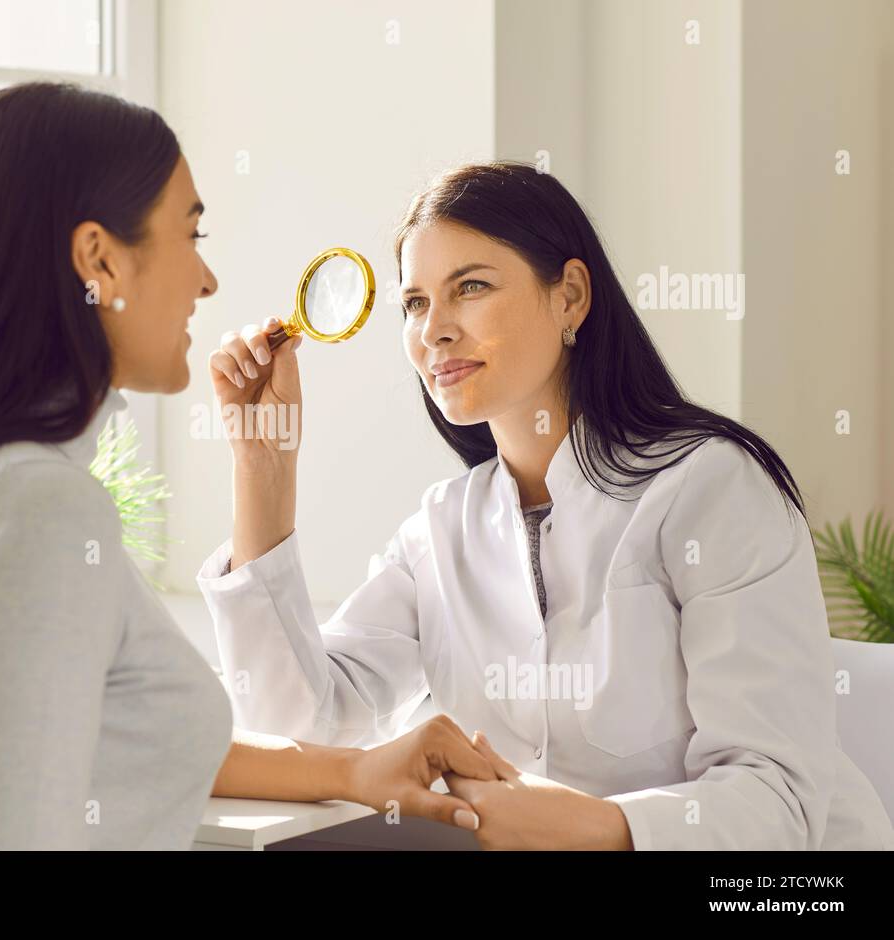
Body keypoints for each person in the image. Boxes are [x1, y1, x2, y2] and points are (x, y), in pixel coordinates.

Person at [0, 82, 496, 850]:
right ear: (99, 262)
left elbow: (94, 732)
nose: (205, 281)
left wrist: (347, 773)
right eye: (191, 235)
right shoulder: (36, 508)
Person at [198, 161, 894, 850]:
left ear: (570, 298)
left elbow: (777, 802)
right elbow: (299, 729)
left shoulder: (713, 488)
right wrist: (263, 465)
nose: (433, 329)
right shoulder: (440, 531)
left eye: (469, 287)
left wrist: (586, 825)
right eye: (414, 303)